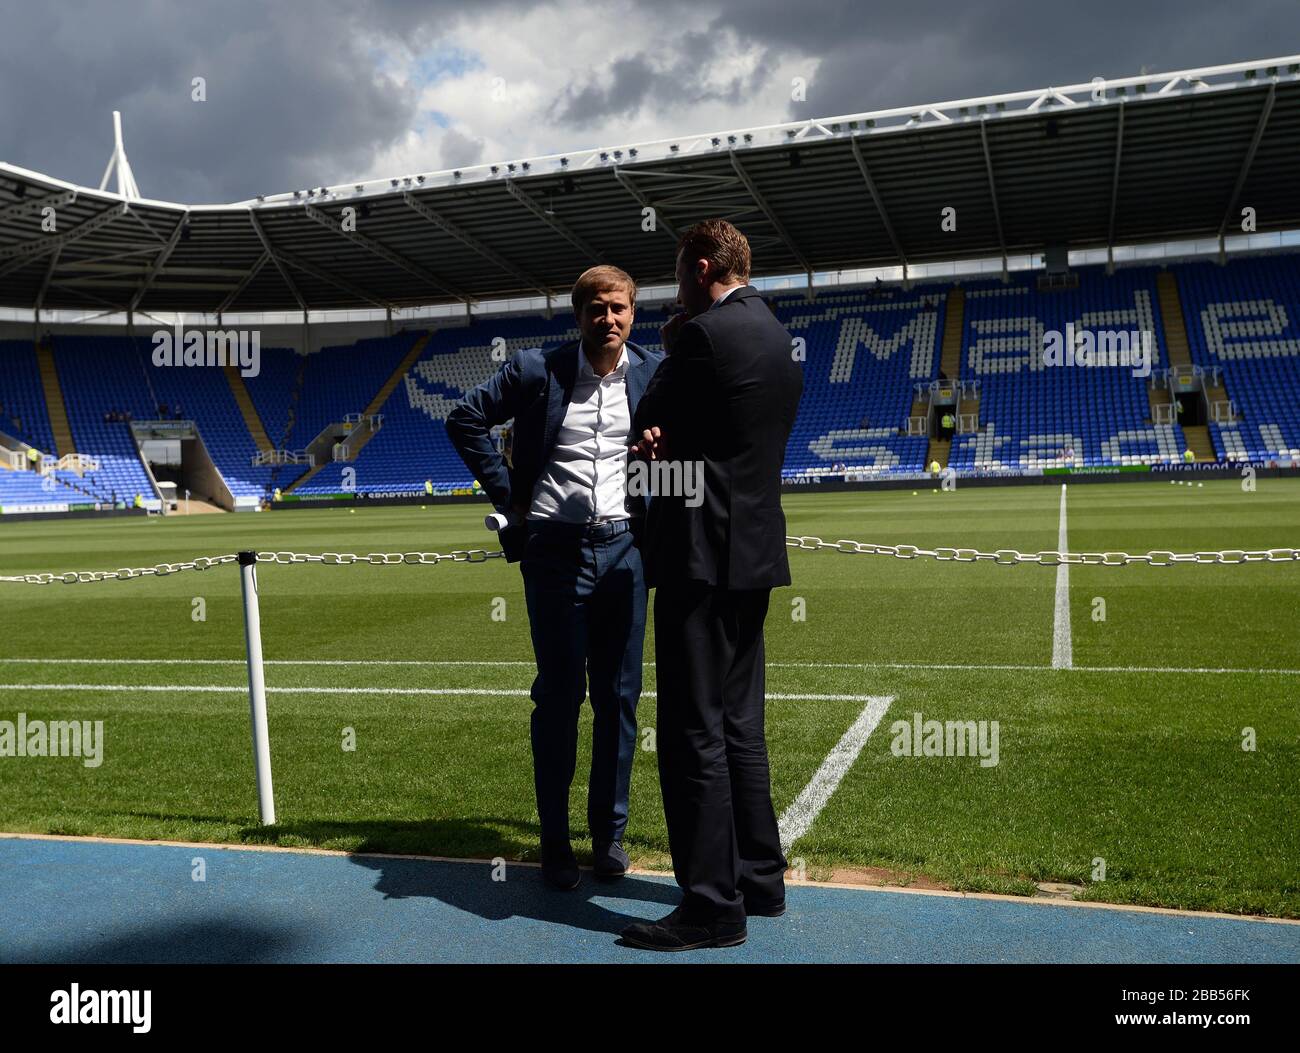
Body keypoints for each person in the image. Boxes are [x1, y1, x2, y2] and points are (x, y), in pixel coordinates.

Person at [446, 265, 663, 891]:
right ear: (579, 315)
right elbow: (464, 418)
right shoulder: (535, 369)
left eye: (620, 308)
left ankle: (609, 839)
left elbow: (684, 448)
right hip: (555, 555)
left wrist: (661, 450)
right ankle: (555, 842)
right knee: (560, 700)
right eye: (598, 308)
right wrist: (512, 497)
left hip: (626, 551)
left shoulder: (653, 373)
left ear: (632, 312)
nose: (610, 319)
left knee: (620, 701)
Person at [621, 219, 803, 951]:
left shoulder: (698, 336)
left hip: (699, 554)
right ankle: (760, 878)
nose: (677, 288)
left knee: (694, 732)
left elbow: (647, 428)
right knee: (740, 724)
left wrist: (669, 355)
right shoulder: (774, 334)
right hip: (753, 551)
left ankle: (709, 904)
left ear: (701, 267)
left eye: (679, 272)